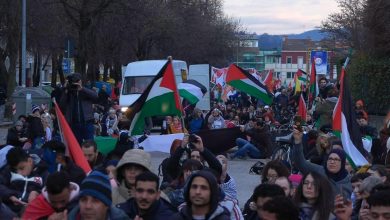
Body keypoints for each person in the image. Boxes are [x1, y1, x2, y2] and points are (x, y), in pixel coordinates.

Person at [292, 126, 352, 199]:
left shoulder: (349, 181)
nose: (332, 162)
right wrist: (298, 142)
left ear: (342, 163)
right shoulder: (320, 171)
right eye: (330, 159)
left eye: (336, 159)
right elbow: (301, 163)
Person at [0, 147, 48, 213]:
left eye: (22, 168)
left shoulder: (43, 172)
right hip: (9, 208)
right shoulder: (9, 169)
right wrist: (10, 196)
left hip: (33, 210)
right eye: (16, 170)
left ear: (30, 161)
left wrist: (37, 192)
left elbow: (49, 189)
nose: (19, 173)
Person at [59, 73, 99, 144]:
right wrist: (65, 90)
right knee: (77, 145)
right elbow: (62, 105)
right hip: (74, 124)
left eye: (77, 81)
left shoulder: (85, 90)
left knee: (89, 144)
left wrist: (82, 89)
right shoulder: (69, 92)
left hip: (87, 122)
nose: (75, 84)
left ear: (80, 81)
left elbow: (95, 96)